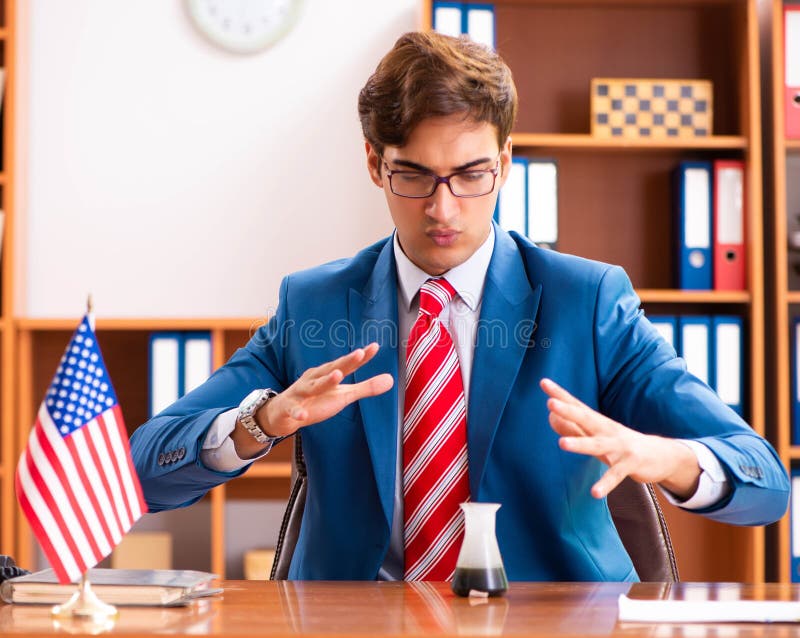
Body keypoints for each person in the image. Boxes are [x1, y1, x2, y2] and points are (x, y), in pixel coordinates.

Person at [130, 31, 789, 582]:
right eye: (413, 175)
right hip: (357, 622)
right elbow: (145, 469)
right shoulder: (315, 305)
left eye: (471, 176)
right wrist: (259, 423)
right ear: (373, 163)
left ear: (504, 163)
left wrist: (661, 456)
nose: (443, 210)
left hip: (549, 624)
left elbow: (764, 482)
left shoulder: (586, 302)